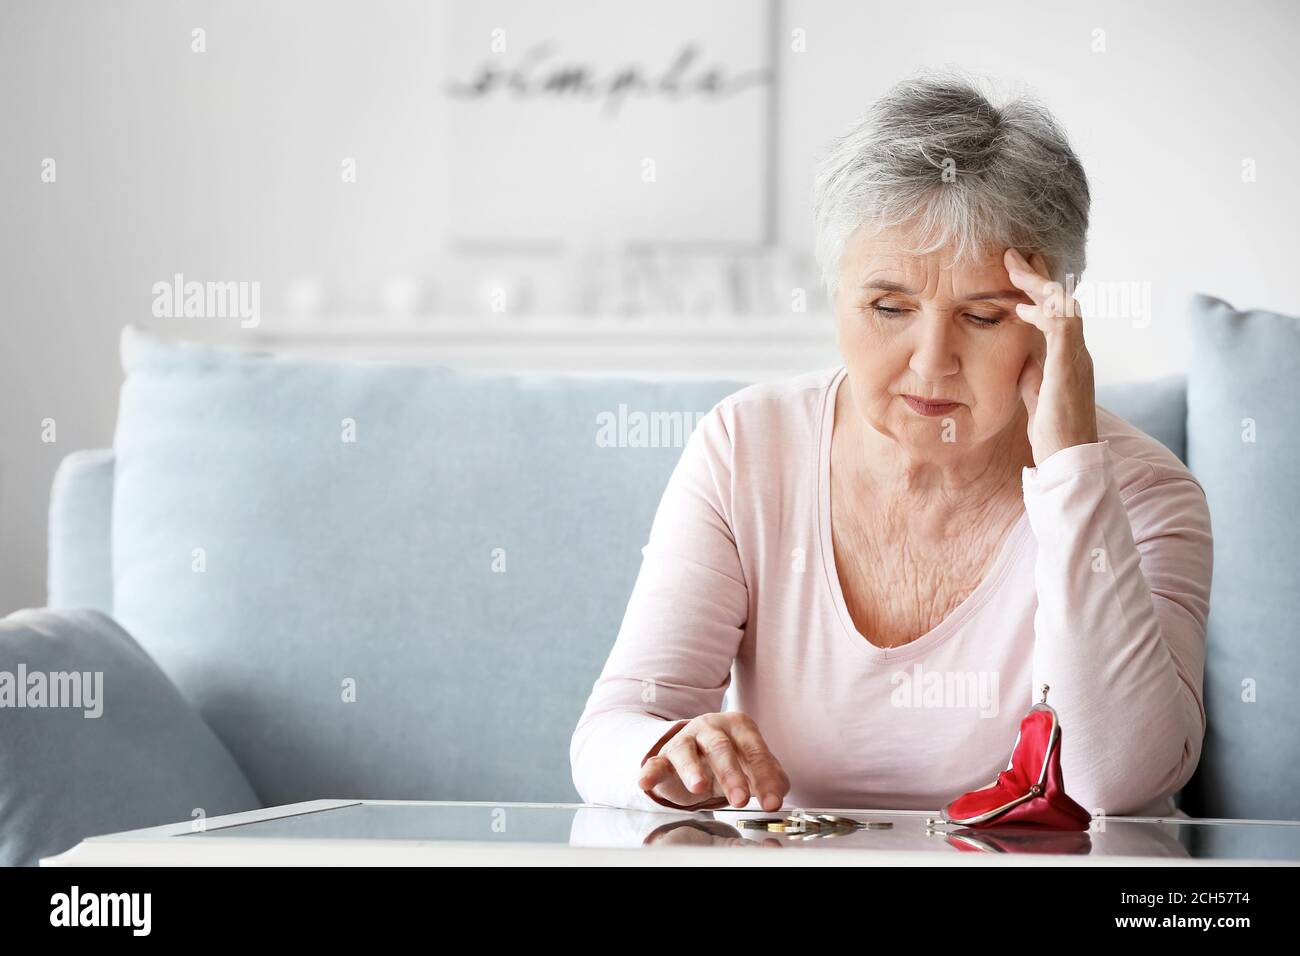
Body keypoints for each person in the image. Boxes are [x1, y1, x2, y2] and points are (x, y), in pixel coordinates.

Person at [570, 71, 1212, 818]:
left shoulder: (1145, 494)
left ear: (1052, 321)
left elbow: (1120, 781)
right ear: (836, 293)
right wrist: (669, 753)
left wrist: (1072, 472)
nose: (931, 361)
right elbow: (609, 734)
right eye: (888, 306)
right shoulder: (744, 447)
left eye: (984, 317)